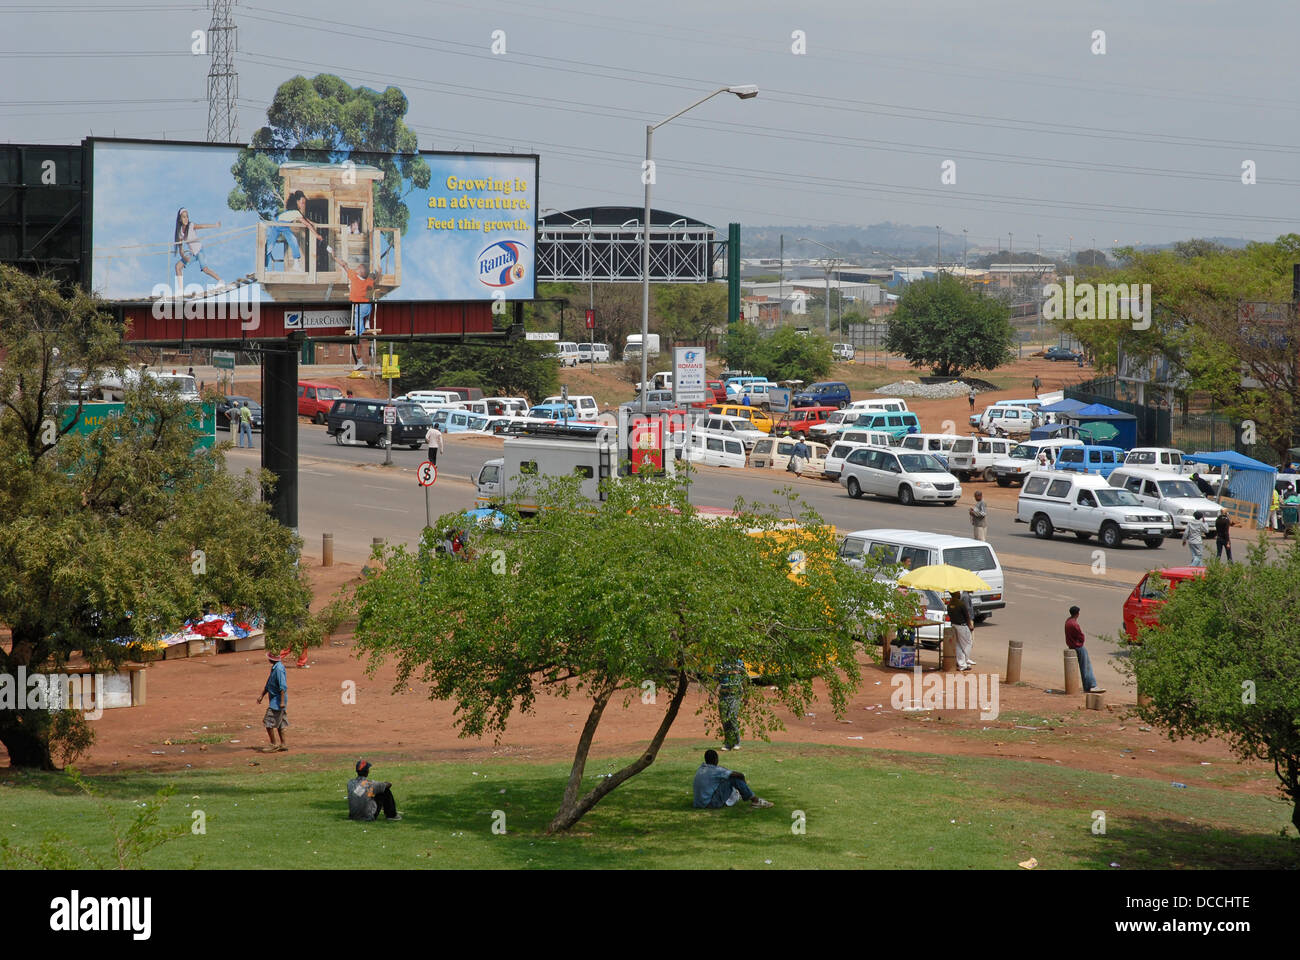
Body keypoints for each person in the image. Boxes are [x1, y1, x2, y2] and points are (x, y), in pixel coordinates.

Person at [692, 749, 773, 810]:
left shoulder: (702, 768)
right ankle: (755, 800)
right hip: (710, 804)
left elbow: (723, 772)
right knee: (733, 779)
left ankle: (740, 794)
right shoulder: (716, 771)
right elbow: (739, 775)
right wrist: (743, 781)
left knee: (725, 779)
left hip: (699, 803)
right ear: (716, 759)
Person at [265, 190, 313, 271]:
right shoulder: (295, 212)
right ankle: (265, 267)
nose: (303, 205)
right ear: (297, 202)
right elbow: (306, 222)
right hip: (277, 224)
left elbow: (306, 220)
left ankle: (296, 264)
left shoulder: (296, 212)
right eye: (302, 203)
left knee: (293, 240)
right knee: (270, 246)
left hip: (285, 225)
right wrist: (313, 228)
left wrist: (314, 223)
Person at [173, 208, 222, 285]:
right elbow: (181, 250)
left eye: (187, 217)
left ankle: (220, 280)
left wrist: (215, 225)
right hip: (192, 254)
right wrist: (183, 256)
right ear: (180, 219)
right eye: (184, 217)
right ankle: (180, 291)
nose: (186, 219)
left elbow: (203, 226)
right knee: (178, 266)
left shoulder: (191, 225)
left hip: (199, 251)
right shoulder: (180, 233)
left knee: (205, 269)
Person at [1064, 605, 1102, 693]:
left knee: (1084, 666)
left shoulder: (1068, 621)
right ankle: (1092, 685)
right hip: (1078, 647)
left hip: (1072, 645)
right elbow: (1081, 636)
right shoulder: (1074, 624)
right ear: (1077, 614)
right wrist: (1081, 641)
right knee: (1086, 666)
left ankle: (1087, 687)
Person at [256, 650, 288, 752]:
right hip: (275, 699)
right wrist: (262, 695)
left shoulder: (278, 669)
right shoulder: (275, 668)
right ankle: (283, 744)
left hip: (277, 701)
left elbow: (283, 686)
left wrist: (282, 702)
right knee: (280, 722)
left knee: (268, 722)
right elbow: (269, 683)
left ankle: (273, 744)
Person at [717, 660, 745, 751]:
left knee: (732, 717)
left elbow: (744, 679)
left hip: (735, 695)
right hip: (723, 696)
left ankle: (737, 741)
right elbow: (716, 679)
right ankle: (728, 743)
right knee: (725, 720)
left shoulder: (739, 663)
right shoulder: (720, 663)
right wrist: (711, 694)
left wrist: (747, 695)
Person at [946, 590, 973, 671]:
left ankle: (962, 664)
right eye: (958, 592)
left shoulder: (949, 605)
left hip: (954, 625)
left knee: (958, 645)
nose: (959, 593)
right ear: (955, 593)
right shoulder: (961, 604)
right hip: (962, 626)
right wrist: (970, 625)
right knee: (968, 644)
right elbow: (967, 616)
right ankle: (964, 662)